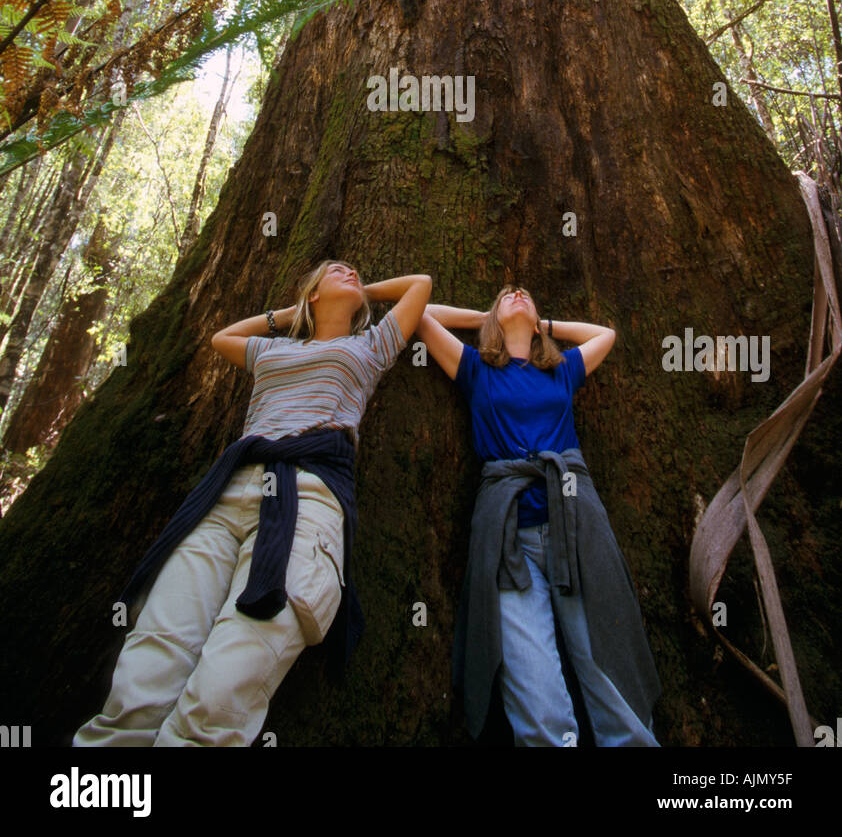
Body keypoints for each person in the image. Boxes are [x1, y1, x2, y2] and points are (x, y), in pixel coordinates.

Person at [73, 260, 431, 747]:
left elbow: (419, 285)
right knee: (153, 655)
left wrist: (353, 290)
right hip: (225, 496)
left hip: (306, 496)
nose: (348, 270)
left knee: (225, 686)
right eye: (335, 269)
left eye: (353, 270)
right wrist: (292, 312)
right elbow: (222, 338)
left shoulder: (369, 346)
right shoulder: (274, 348)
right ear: (311, 294)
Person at [417, 285, 661, 748]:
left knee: (604, 663)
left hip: (575, 526)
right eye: (506, 293)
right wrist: (489, 319)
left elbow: (604, 334)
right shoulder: (476, 369)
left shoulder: (560, 371)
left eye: (526, 294)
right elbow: (421, 314)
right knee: (534, 689)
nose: (516, 293)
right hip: (510, 539)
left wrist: (540, 326)